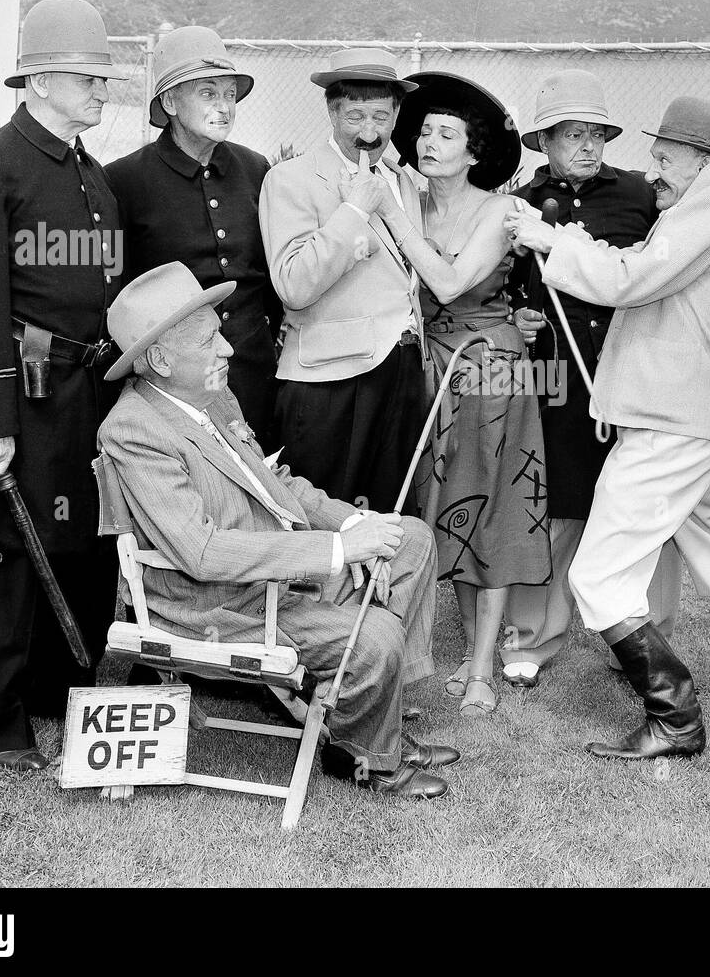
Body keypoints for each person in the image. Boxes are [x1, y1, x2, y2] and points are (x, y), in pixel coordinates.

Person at [98, 263, 455, 799]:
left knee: (410, 540)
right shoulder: (133, 430)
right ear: (160, 360)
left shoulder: (214, 398)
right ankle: (368, 756)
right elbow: (202, 553)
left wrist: (353, 522)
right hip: (219, 603)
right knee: (375, 636)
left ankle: (370, 708)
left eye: (219, 330)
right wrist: (336, 551)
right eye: (208, 340)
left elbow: (274, 481)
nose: (227, 348)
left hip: (276, 577)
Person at [504, 96, 710, 761]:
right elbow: (644, 271)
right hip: (696, 415)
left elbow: (631, 280)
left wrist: (553, 241)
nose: (655, 168)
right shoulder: (705, 203)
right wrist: (560, 240)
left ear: (704, 160)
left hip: (670, 419)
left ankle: (674, 718)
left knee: (600, 578)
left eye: (667, 156)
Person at [0, 0, 127, 772]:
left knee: (81, 548)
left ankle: (57, 687)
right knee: (9, 559)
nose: (101, 94)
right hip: (22, 392)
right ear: (40, 80)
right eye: (88, 79)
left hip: (86, 395)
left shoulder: (90, 174)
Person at [376, 71, 551, 718]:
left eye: (447, 132)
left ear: (475, 150)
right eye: (424, 130)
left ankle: (483, 669)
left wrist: (391, 212)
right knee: (446, 505)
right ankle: (469, 656)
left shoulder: (500, 210)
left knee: (495, 511)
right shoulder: (414, 203)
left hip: (491, 371)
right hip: (431, 370)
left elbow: (448, 282)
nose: (430, 141)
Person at [503, 69, 682, 689]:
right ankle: (536, 635)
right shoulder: (520, 203)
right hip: (554, 369)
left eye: (595, 134)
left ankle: (640, 634)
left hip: (631, 365)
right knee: (554, 498)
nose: (585, 146)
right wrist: (515, 315)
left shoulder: (641, 194)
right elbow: (502, 283)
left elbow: (672, 263)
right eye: (570, 135)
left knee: (641, 499)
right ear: (545, 141)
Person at [259, 48, 428, 515]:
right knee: (326, 527)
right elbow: (292, 284)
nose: (368, 132)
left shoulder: (404, 182)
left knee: (394, 520)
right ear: (331, 111)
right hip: (329, 384)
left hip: (401, 374)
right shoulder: (289, 179)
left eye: (380, 116)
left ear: (397, 114)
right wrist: (353, 211)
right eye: (355, 116)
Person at [106, 26, 280, 448]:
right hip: (172, 381)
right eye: (208, 93)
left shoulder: (256, 169)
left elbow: (271, 270)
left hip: (253, 369)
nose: (225, 107)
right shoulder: (123, 180)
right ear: (169, 101)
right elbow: (112, 286)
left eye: (229, 95)